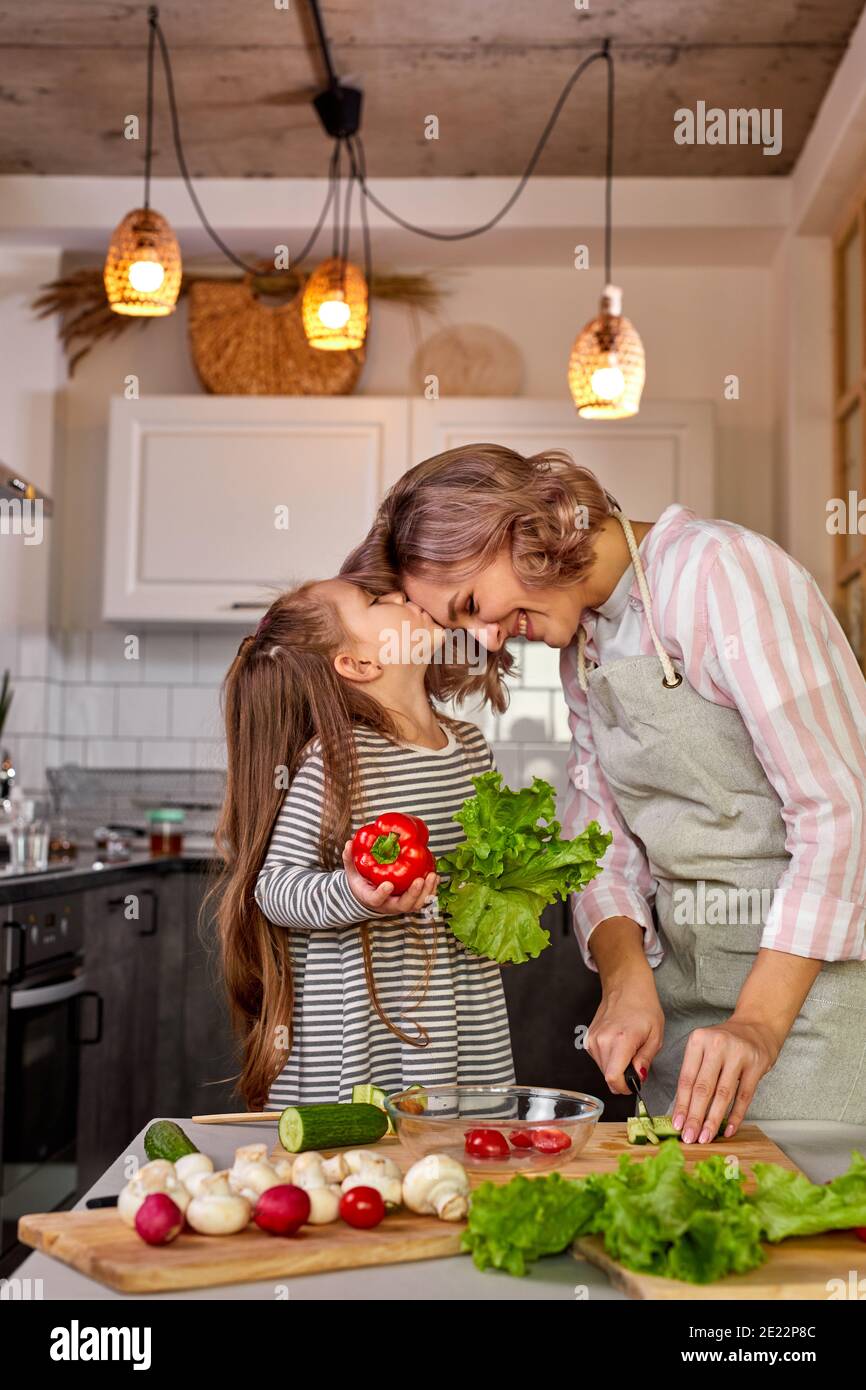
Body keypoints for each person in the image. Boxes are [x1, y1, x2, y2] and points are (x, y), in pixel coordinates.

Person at [343, 442, 866, 1138]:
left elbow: (841, 813)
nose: (489, 640)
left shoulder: (719, 573)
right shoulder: (583, 646)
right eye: (460, 627)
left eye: (472, 604)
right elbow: (603, 847)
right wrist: (625, 982)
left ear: (522, 527)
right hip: (689, 1015)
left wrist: (759, 1025)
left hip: (814, 1012)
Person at [212, 576, 515, 1110]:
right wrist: (354, 894)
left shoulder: (469, 748)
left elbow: (480, 872)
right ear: (358, 664)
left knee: (458, 1168)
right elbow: (275, 888)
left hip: (459, 1023)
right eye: (379, 602)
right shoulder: (339, 761)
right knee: (354, 1174)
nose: (403, 597)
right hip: (358, 1045)